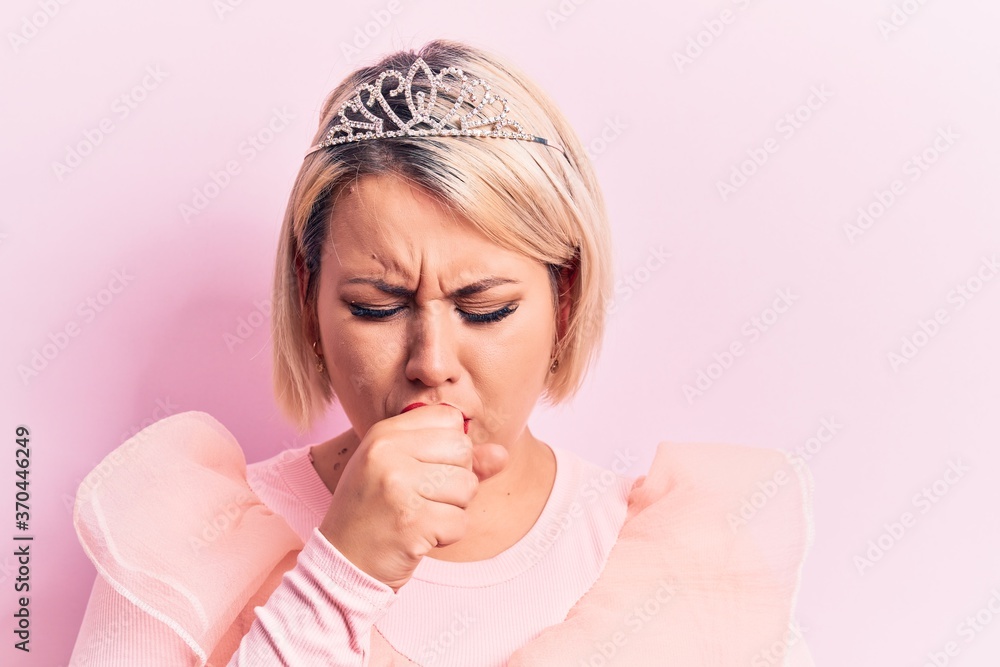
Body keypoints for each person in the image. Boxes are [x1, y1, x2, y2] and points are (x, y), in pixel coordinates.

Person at [70, 38, 815, 666]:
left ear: (566, 296)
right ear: (307, 294)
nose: (431, 359)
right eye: (376, 306)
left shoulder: (683, 556)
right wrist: (339, 571)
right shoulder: (194, 539)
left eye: (484, 308)